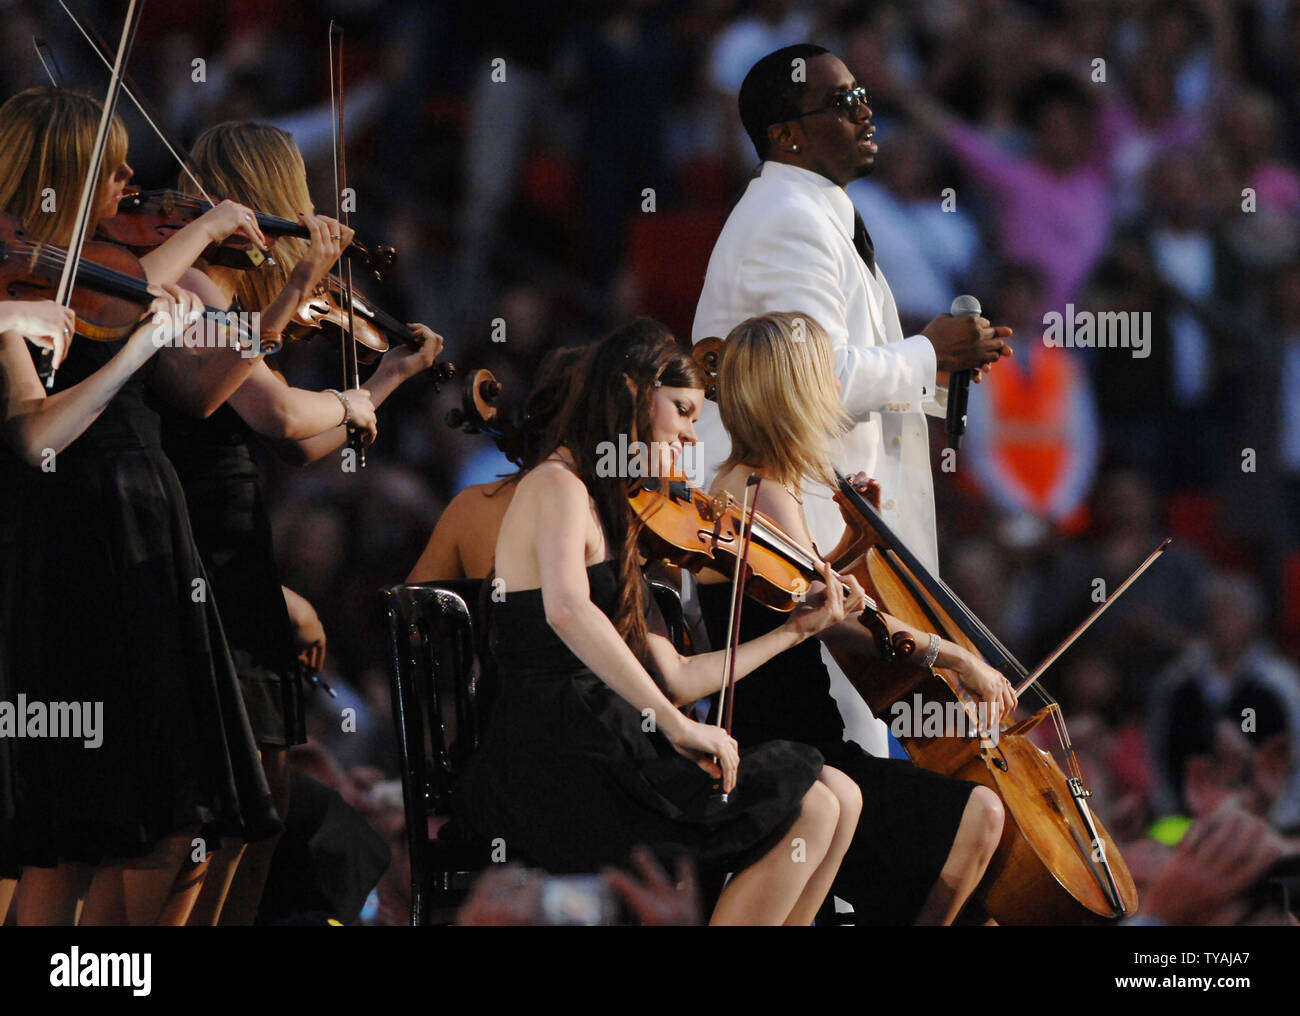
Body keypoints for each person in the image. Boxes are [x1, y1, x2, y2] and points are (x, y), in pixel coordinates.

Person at [457, 319, 864, 925]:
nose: (690, 436)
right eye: (682, 411)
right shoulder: (555, 484)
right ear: (630, 392)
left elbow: (672, 675)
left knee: (842, 798)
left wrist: (795, 630)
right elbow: (566, 610)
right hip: (556, 753)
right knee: (811, 805)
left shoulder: (615, 512)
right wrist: (676, 728)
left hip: (604, 730)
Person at [0, 86, 278, 926]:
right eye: (107, 165)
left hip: (139, 535)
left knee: (155, 820)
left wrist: (263, 274)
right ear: (63, 174)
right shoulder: (18, 296)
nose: (129, 177)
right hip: (80, 552)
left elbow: (145, 310)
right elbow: (38, 440)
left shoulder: (82, 278)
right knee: (78, 835)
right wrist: (143, 346)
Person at [691, 45, 1010, 757]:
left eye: (864, 93)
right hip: (797, 537)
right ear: (788, 134)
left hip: (835, 542)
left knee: (854, 781)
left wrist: (941, 372)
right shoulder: (786, 220)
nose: (867, 110)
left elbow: (839, 366)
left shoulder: (814, 210)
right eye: (842, 101)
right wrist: (931, 353)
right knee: (834, 775)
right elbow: (808, 380)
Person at [163, 120, 445, 925]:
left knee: (259, 793)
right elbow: (282, 415)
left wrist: (385, 380)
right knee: (216, 802)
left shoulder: (220, 295)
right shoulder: (193, 286)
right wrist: (301, 303)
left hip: (230, 544)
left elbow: (298, 444)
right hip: (201, 549)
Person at [699, 312, 1014, 924]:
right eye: (820, 380)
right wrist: (955, 657)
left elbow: (803, 596)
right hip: (792, 745)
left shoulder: (753, 484)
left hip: (802, 738)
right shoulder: (760, 490)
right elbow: (838, 620)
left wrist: (846, 545)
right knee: (980, 816)